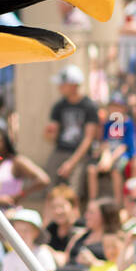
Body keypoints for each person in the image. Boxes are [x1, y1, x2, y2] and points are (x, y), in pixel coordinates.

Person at [44, 64, 99, 200]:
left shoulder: (89, 106)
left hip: (80, 153)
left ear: (74, 85)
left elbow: (88, 138)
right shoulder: (59, 106)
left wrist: (71, 163)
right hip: (60, 150)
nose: (59, 87)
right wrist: (49, 133)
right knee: (48, 184)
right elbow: (52, 135)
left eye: (63, 84)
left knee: (73, 192)